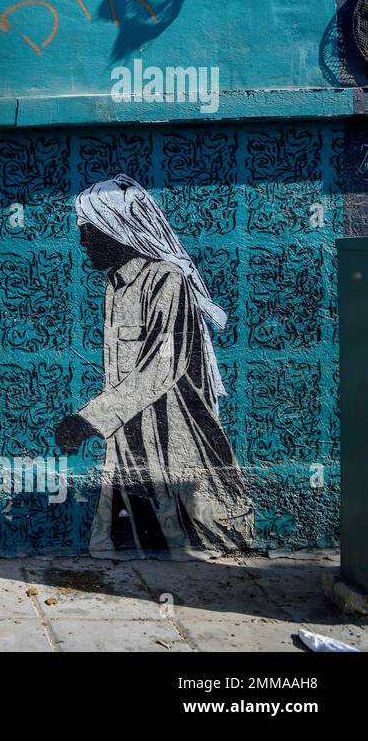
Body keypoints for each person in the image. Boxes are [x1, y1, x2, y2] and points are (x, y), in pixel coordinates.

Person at [55, 174, 254, 557]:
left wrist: (89, 419)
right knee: (126, 547)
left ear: (116, 228)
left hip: (174, 433)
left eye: (88, 230)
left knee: (209, 539)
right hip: (128, 441)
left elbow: (160, 365)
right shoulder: (115, 284)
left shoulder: (167, 281)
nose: (82, 241)